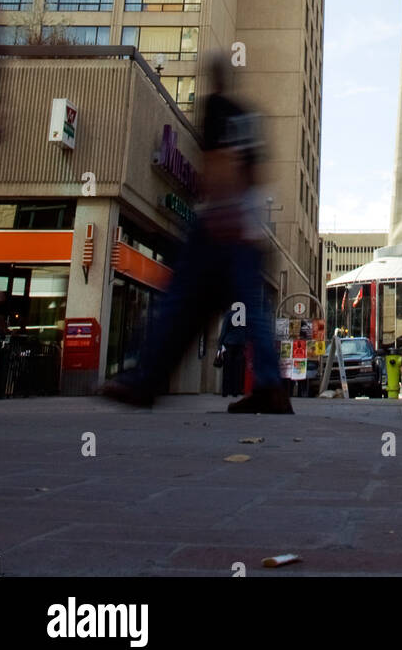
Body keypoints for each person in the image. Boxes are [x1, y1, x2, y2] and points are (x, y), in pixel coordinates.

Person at [103, 52, 292, 414]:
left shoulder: (216, 107)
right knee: (252, 309)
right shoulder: (250, 115)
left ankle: (146, 380)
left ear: (213, 78)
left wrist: (222, 212)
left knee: (178, 299)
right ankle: (269, 385)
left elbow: (220, 160)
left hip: (221, 221)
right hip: (248, 225)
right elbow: (258, 170)